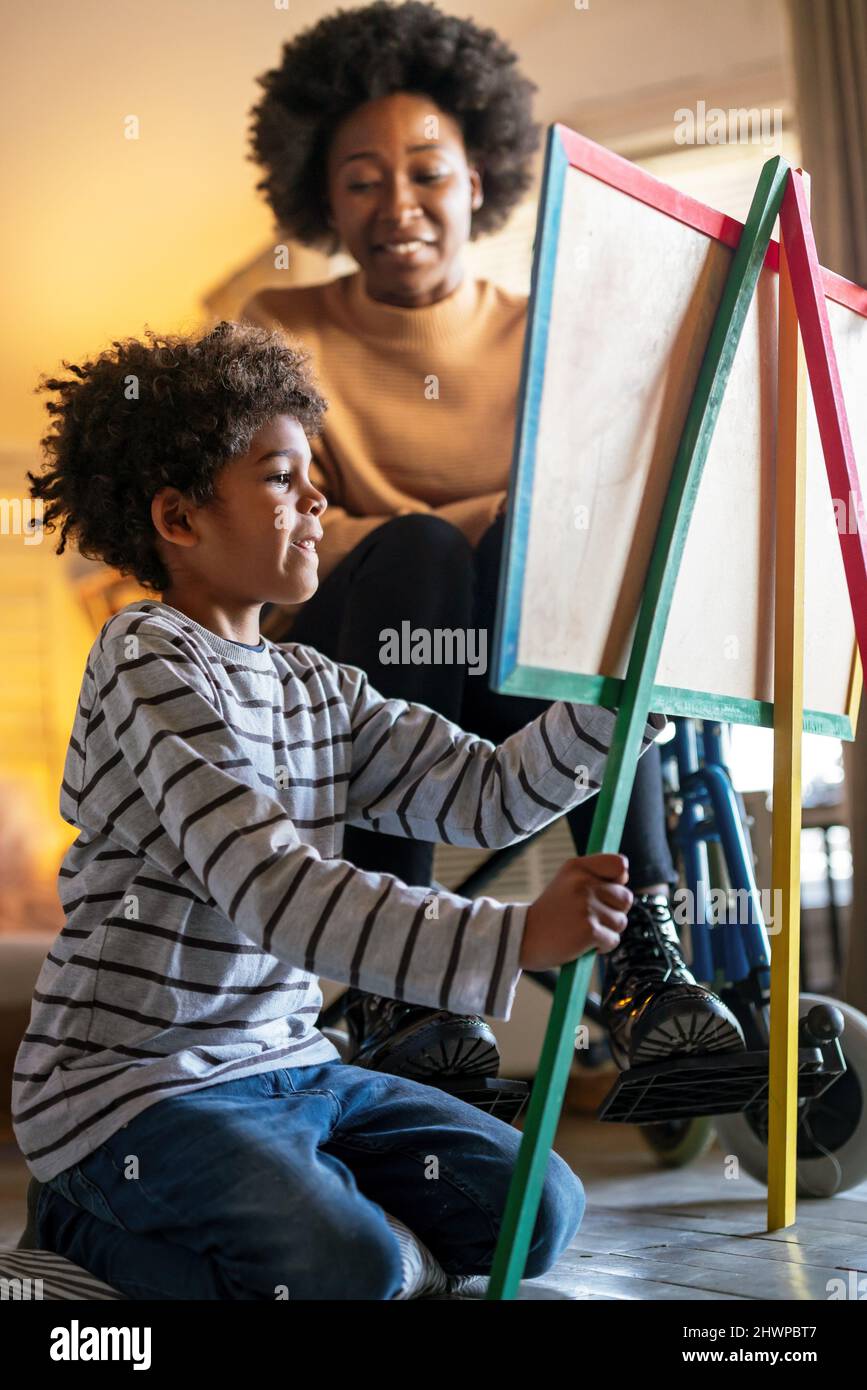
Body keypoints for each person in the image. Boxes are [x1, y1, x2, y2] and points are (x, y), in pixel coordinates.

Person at [16, 318, 668, 1299]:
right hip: (132, 1098)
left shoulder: (317, 685)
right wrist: (515, 935)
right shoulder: (143, 659)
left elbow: (487, 793)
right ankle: (78, 1219)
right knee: (347, 1265)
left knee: (536, 1210)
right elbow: (274, 887)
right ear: (180, 519)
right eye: (282, 476)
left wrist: (616, 708)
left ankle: (313, 1229)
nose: (319, 497)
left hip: (289, 1064)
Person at [241, 0, 746, 1080]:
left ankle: (645, 957)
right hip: (349, 677)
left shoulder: (549, 331)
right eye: (361, 178)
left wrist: (495, 535)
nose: (399, 203)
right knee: (423, 552)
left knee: (556, 561)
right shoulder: (277, 325)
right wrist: (454, 530)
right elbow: (282, 523)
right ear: (322, 197)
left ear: (479, 180)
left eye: (427, 171)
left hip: (514, 675)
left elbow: (574, 524)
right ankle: (394, 983)